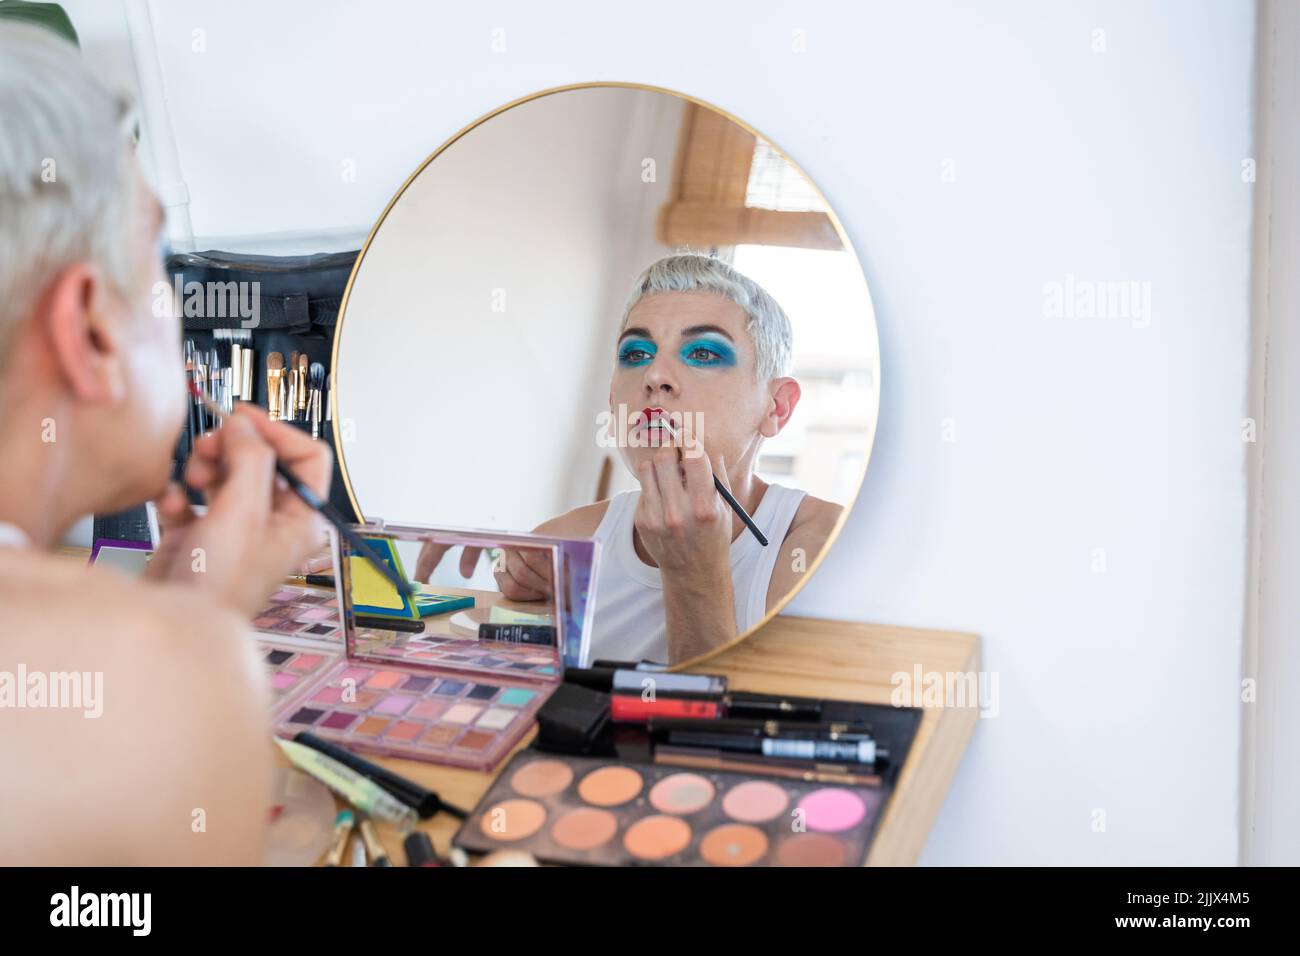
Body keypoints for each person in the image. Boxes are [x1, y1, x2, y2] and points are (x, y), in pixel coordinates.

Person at [0, 23, 332, 864]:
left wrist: (190, 608)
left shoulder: (151, 655)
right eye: (157, 259)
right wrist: (187, 652)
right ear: (89, 332)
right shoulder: (160, 669)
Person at [417, 254, 842, 665]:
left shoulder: (828, 549)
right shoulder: (564, 543)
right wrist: (502, 592)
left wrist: (693, 572)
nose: (655, 377)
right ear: (612, 397)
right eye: (636, 355)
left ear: (777, 408)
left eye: (704, 354)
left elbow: (718, 733)